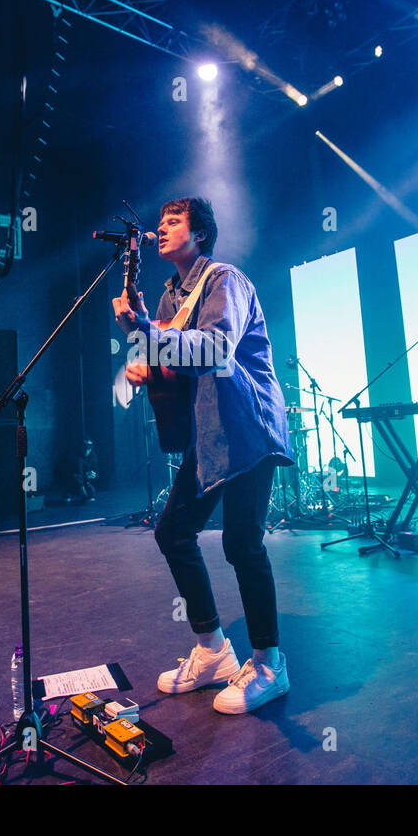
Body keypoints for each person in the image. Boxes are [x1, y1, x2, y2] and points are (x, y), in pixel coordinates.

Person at [112, 197, 293, 715]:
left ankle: (268, 663)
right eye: (161, 222)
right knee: (172, 531)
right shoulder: (169, 296)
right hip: (208, 435)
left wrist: (148, 336)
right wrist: (140, 355)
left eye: (174, 222)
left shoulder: (225, 281)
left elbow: (212, 350)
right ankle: (213, 651)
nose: (162, 229)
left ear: (201, 235)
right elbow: (168, 357)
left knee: (241, 543)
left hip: (245, 428)